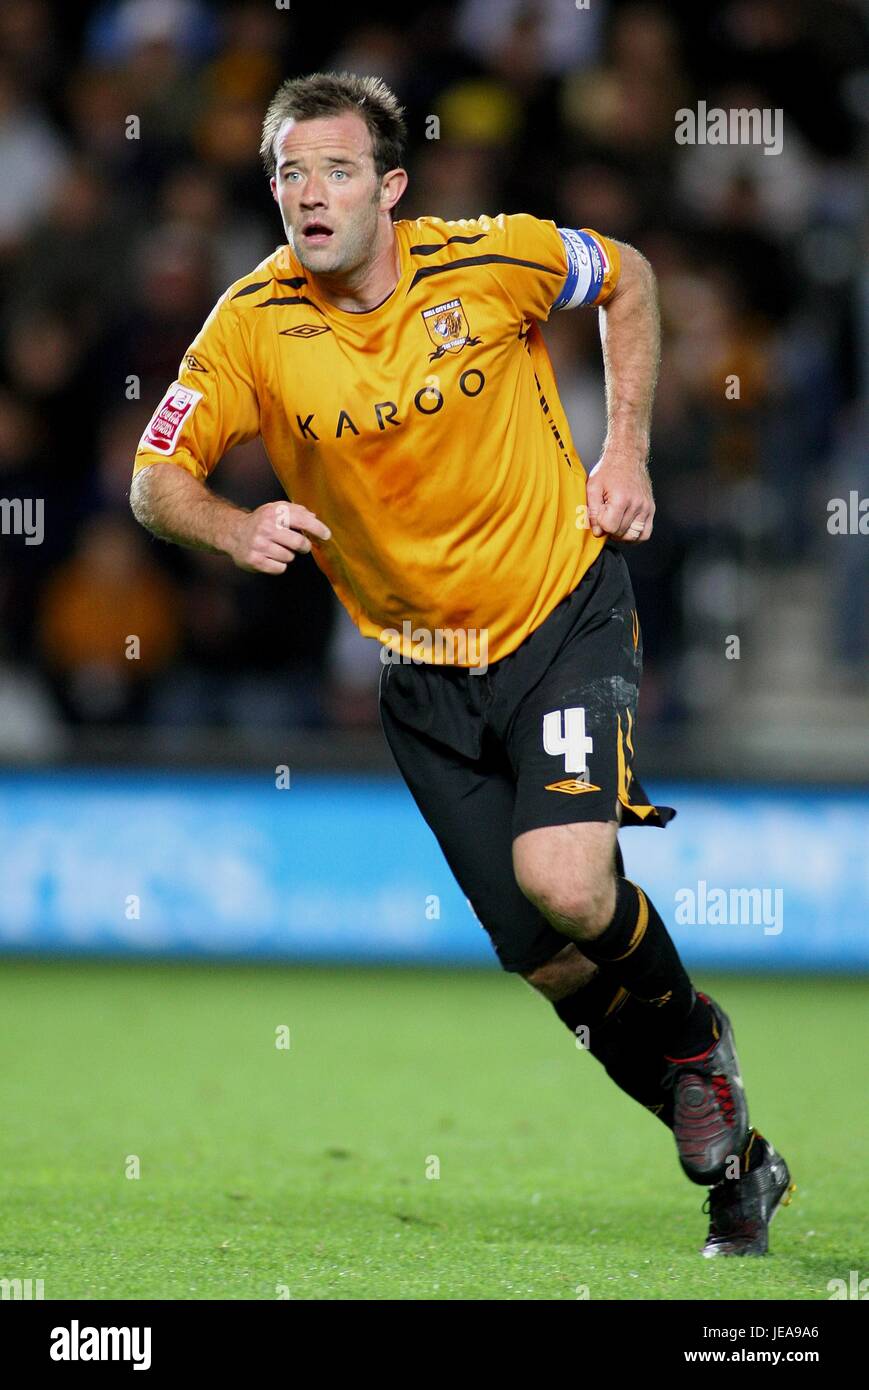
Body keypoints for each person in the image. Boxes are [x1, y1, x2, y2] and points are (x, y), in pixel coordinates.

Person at [129, 71, 793, 1256]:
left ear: (390, 188)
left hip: (557, 613)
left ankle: (694, 1041)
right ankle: (732, 1157)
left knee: (570, 886)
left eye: (336, 170)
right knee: (553, 972)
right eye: (288, 172)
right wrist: (234, 528)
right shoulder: (246, 323)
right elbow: (152, 476)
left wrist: (624, 450)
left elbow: (628, 274)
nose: (309, 194)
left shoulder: (491, 259)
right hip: (420, 672)